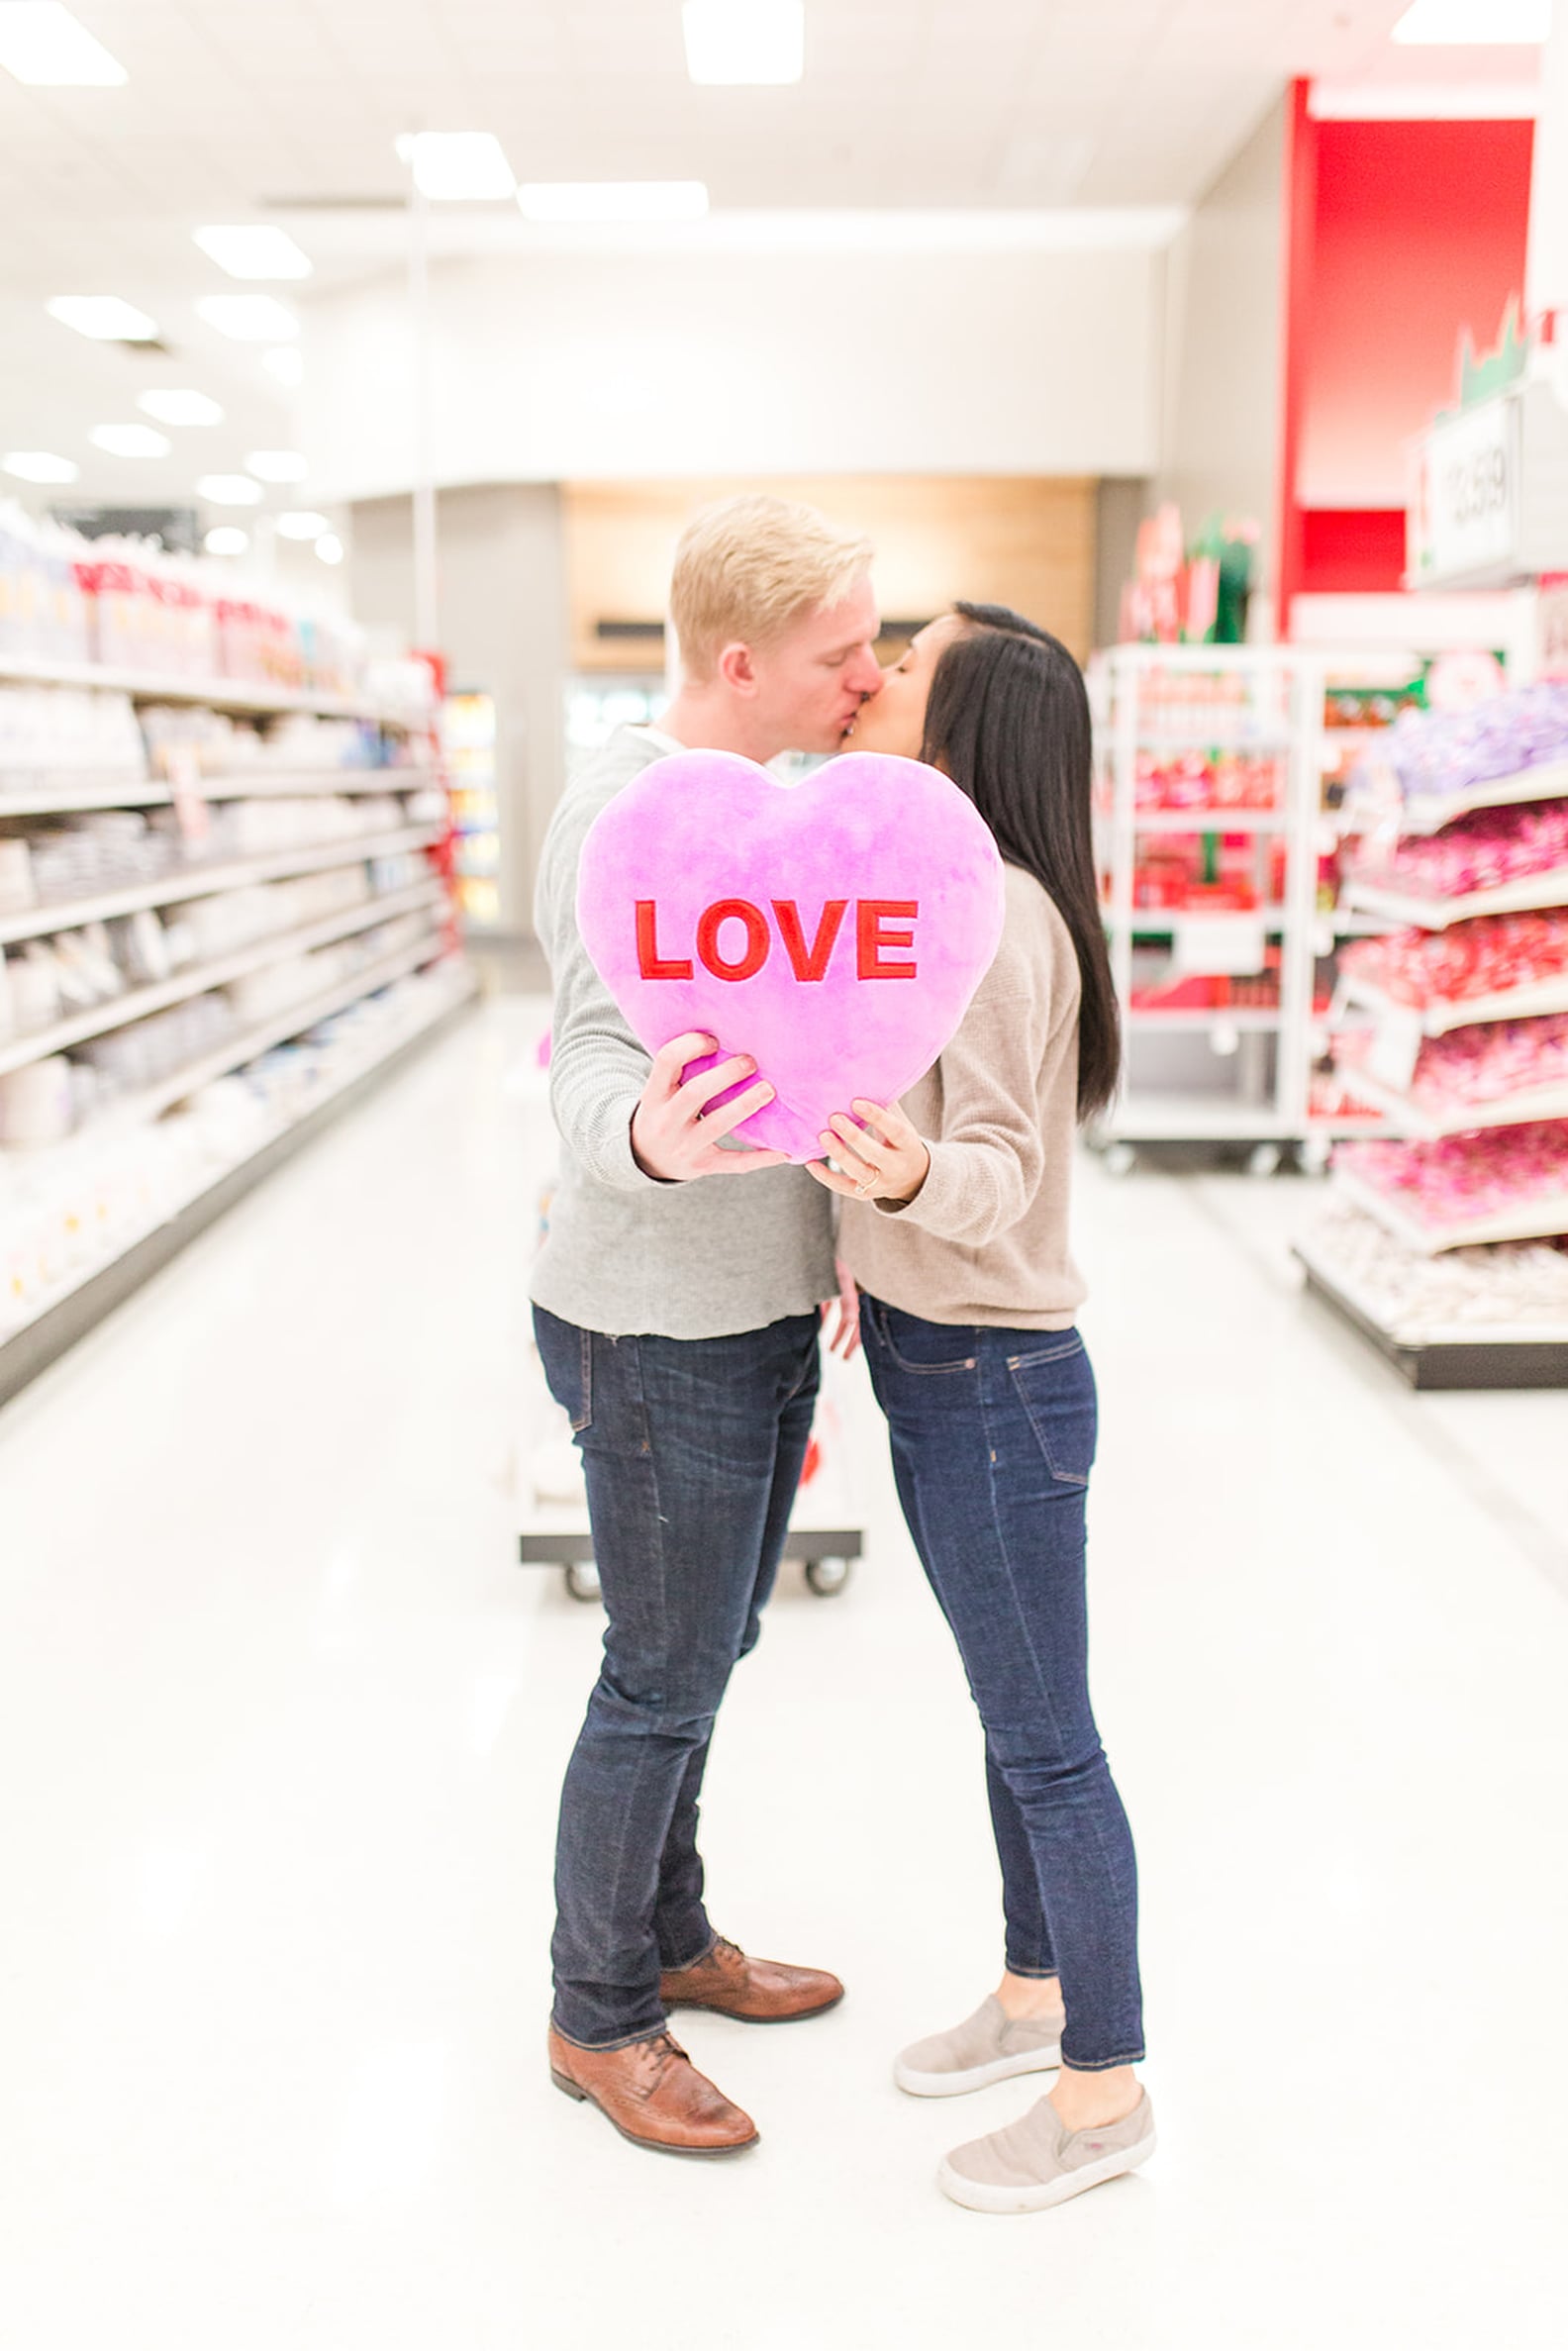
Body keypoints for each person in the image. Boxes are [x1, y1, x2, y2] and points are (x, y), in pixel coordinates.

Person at [532, 494, 881, 2158]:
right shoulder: (625, 816)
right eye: (844, 652)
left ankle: (670, 1938)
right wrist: (656, 1139)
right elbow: (591, 1066)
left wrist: (838, 1229)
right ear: (741, 664)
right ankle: (599, 2016)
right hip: (656, 1317)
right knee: (656, 1681)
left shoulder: (790, 804)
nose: (870, 679)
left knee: (712, 1650)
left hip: (749, 1304)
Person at [815, 604, 1152, 2215]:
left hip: (1000, 1382)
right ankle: (1033, 1999)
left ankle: (1104, 2096)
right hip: (933, 1358)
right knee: (1009, 1724)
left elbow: (1000, 1166)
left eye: (907, 663)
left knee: (1051, 1747)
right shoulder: (942, 890)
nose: (871, 676)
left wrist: (909, 1179)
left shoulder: (1005, 914)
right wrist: (855, 1239)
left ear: (969, 726)